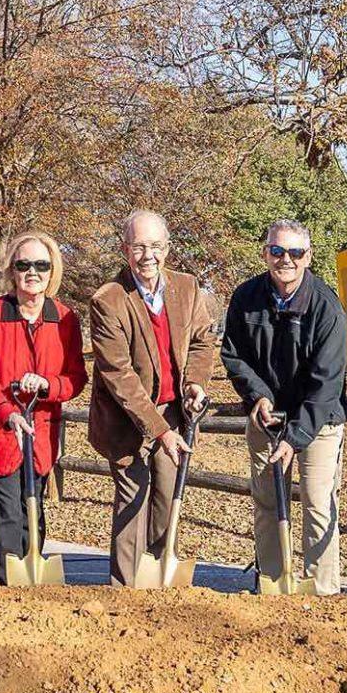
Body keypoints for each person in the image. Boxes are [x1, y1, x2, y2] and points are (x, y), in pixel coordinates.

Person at [88, 209, 218, 586]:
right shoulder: (108, 300)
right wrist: (160, 431)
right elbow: (119, 375)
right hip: (126, 417)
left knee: (167, 496)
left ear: (168, 248)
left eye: (156, 246)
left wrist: (195, 383)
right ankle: (125, 589)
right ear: (124, 249)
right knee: (133, 500)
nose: (149, 256)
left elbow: (200, 341)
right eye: (139, 247)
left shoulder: (187, 287)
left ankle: (159, 584)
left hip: (173, 411)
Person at [220, 220, 347, 595]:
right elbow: (234, 355)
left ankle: (321, 591)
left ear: (308, 257)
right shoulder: (247, 297)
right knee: (266, 501)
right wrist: (258, 396)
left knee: (317, 502)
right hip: (266, 416)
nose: (285, 260)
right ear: (265, 254)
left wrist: (295, 437)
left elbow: (327, 383)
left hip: (318, 419)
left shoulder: (326, 307)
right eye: (277, 251)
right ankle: (274, 584)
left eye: (295, 252)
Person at [0, 231, 88, 583]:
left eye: (41, 265)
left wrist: (49, 385)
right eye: (24, 264)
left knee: (33, 508)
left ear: (52, 271)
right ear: (12, 271)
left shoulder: (65, 319)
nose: (32, 272)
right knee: (6, 512)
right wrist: (9, 412)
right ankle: (8, 583)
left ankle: (34, 579)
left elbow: (76, 377)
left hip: (41, 431)